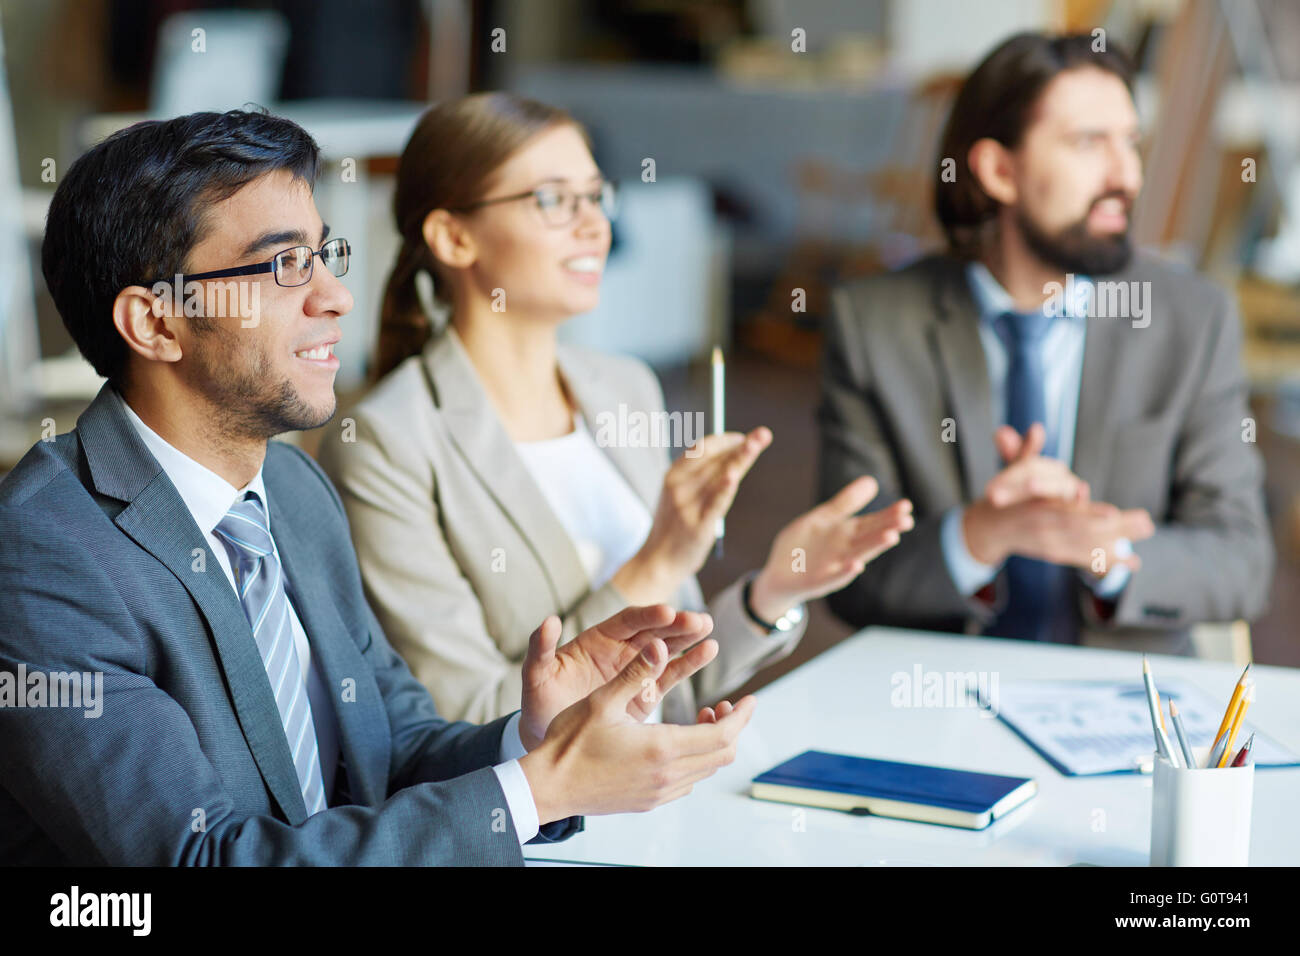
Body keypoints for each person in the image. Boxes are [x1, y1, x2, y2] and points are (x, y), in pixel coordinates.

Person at [0, 109, 756, 866]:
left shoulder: (292, 489)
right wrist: (539, 790)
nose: (336, 297)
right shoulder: (43, 555)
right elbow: (202, 860)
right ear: (155, 324)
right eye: (284, 265)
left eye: (326, 255)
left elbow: (393, 750)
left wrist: (536, 735)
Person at [317, 93, 914, 724]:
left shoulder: (624, 387)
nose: (595, 225)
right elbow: (468, 717)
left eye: (597, 196)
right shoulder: (385, 441)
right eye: (552, 200)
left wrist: (776, 591)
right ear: (453, 237)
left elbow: (671, 685)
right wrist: (659, 559)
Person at [817, 32, 1271, 654]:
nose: (1127, 175)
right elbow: (848, 580)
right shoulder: (873, 324)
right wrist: (981, 534)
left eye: (1130, 142)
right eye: (1090, 143)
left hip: (1130, 712)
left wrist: (1104, 550)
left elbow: (1244, 560)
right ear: (999, 170)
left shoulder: (1192, 319)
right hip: (938, 702)